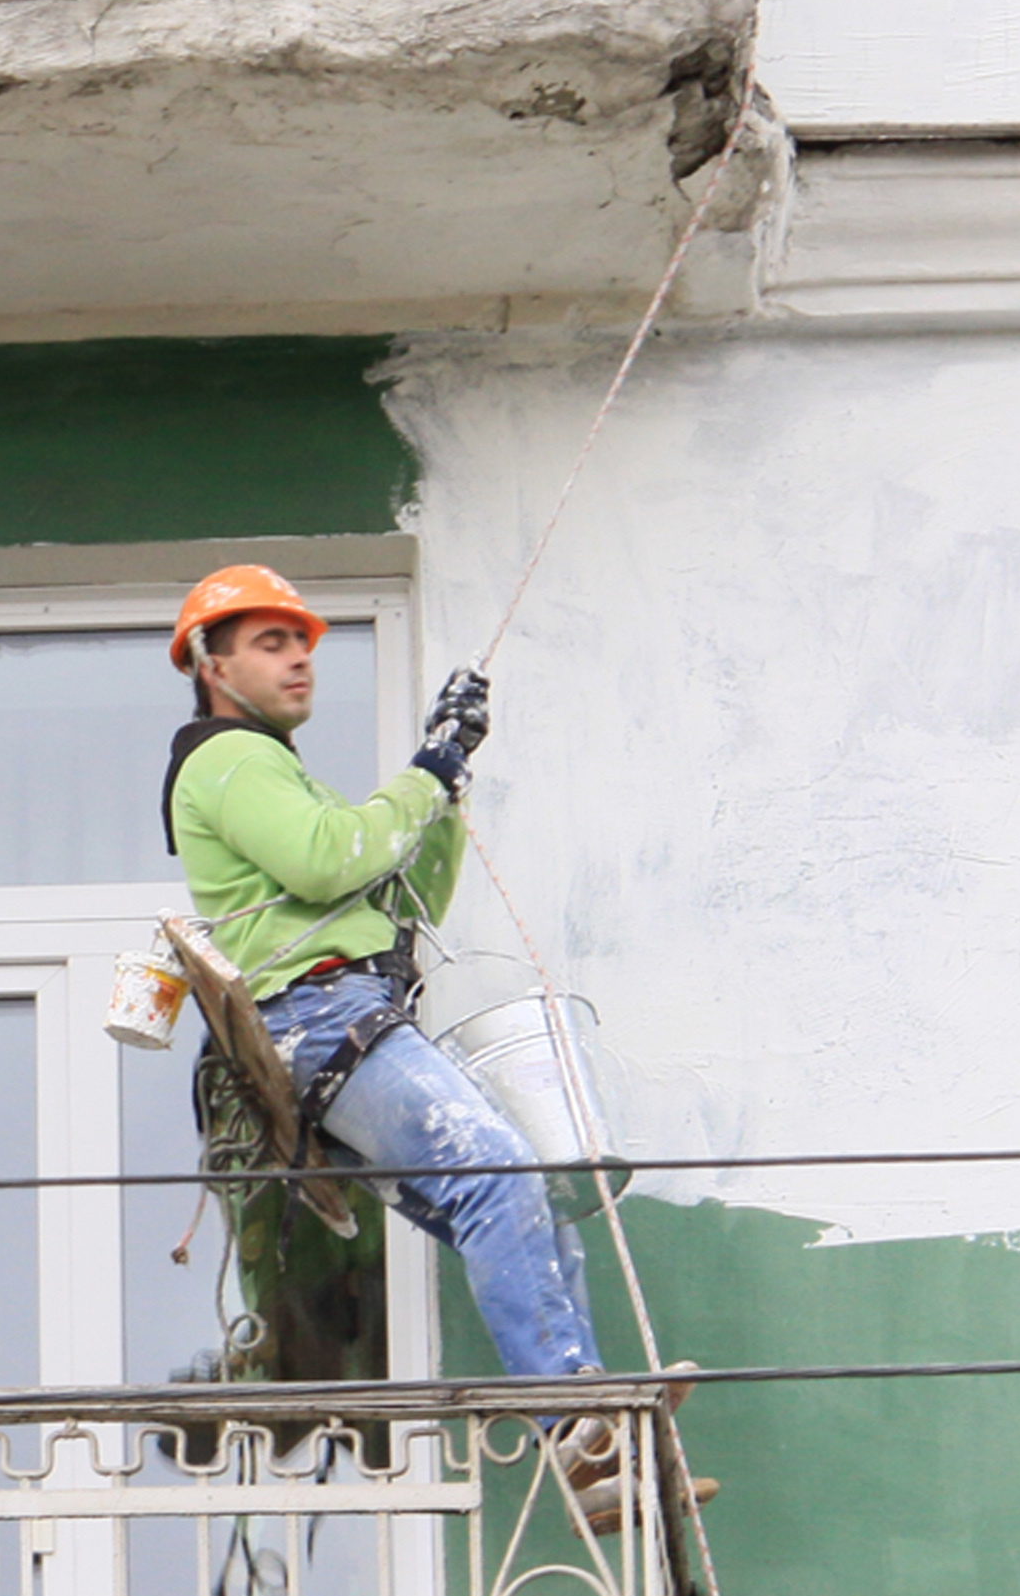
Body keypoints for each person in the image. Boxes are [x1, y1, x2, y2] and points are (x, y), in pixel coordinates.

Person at [162, 563, 702, 1531]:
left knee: (517, 1196)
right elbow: (333, 856)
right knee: (496, 1175)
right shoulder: (222, 761)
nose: (299, 660)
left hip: (341, 1015)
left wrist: (443, 795)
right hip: (320, 1017)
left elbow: (395, 902)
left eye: (304, 643)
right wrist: (425, 774)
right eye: (271, 642)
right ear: (210, 660)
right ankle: (574, 1417)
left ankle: (588, 1450)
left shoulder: (273, 771)